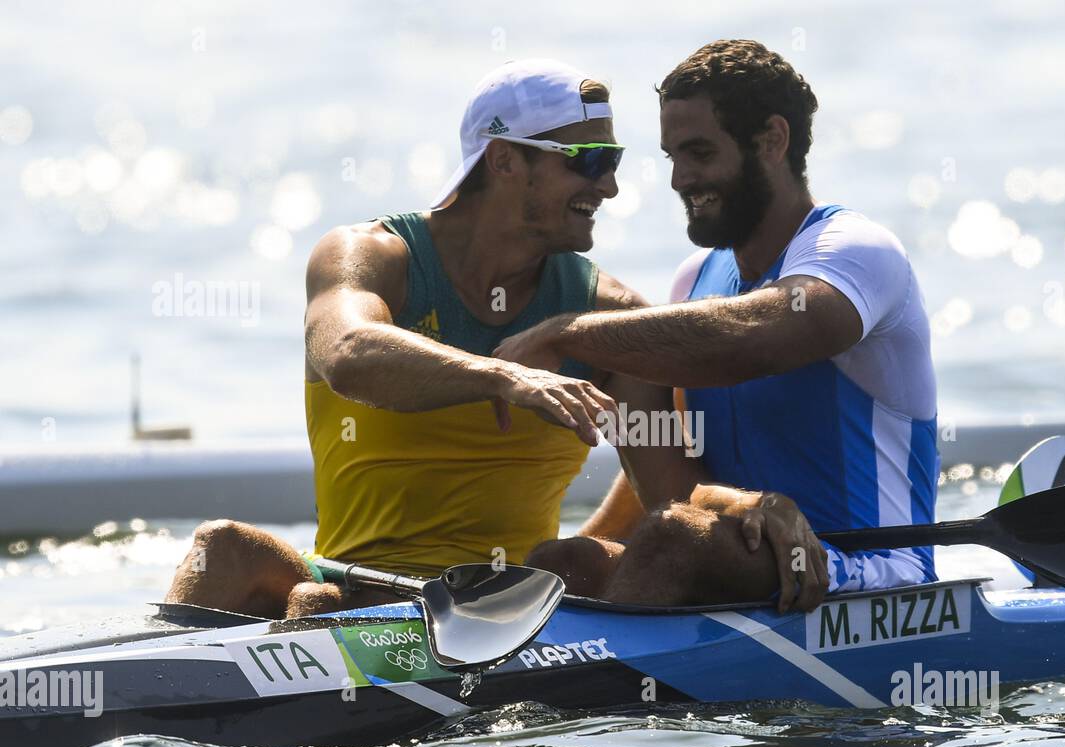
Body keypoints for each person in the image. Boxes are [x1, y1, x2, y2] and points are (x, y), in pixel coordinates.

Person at [164, 58, 822, 619]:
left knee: (577, 557)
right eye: (588, 160)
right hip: (348, 579)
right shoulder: (371, 259)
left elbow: (671, 497)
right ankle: (138, 707)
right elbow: (347, 353)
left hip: (501, 612)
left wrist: (757, 505)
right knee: (223, 545)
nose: (610, 185)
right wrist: (503, 375)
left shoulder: (605, 312)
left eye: (613, 160)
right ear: (505, 161)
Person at [496, 39, 940, 608]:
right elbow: (673, 476)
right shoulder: (694, 280)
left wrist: (564, 333)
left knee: (675, 537)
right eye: (671, 157)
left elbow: (755, 341)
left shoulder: (858, 251)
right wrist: (571, 569)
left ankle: (580, 693)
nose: (680, 179)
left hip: (869, 572)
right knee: (566, 560)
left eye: (699, 153)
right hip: (742, 558)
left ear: (773, 140)